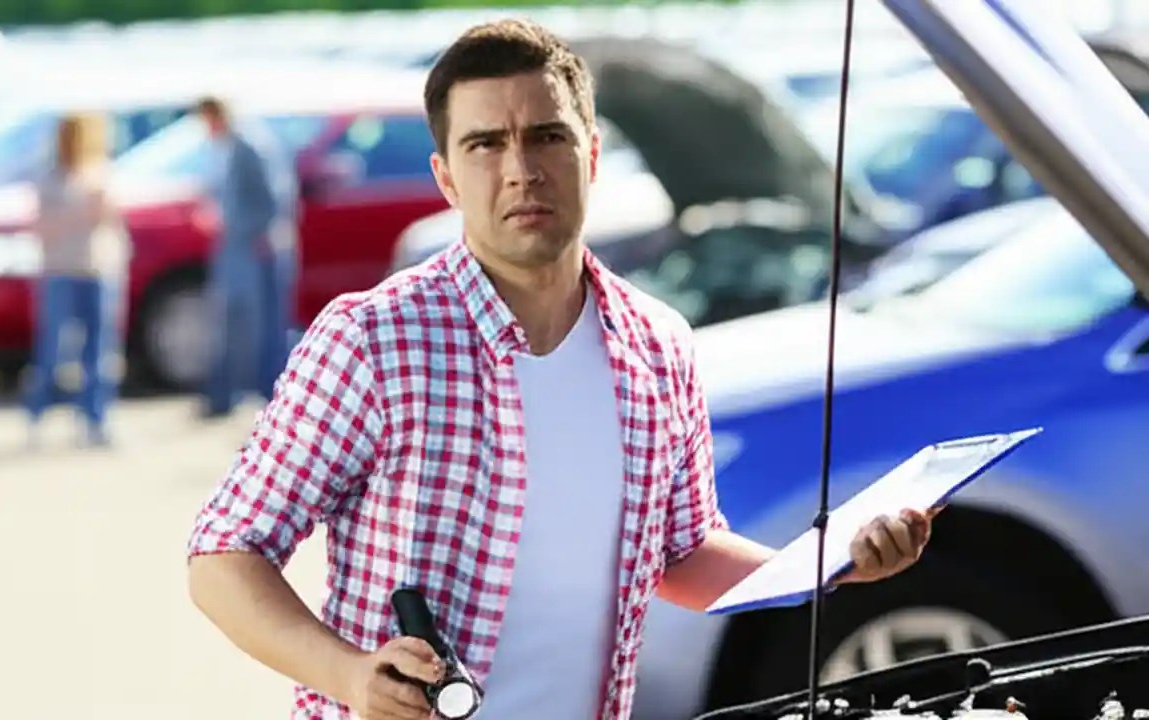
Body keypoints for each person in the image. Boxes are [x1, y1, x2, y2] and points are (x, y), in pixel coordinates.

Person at [185, 20, 938, 720]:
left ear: (592, 156)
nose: (521, 170)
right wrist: (346, 672)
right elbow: (224, 554)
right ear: (447, 179)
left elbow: (682, 552)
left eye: (546, 136)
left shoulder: (658, 343)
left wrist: (829, 564)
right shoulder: (373, 339)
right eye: (486, 144)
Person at [25, 111, 128, 448]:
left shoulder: (101, 173)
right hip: (61, 270)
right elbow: (41, 228)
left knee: (99, 352)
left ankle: (95, 419)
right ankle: (37, 415)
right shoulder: (51, 179)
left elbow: (114, 225)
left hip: (98, 270)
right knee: (53, 350)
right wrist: (80, 214)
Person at [196, 96, 283, 417]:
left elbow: (272, 199)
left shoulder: (249, 147)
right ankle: (225, 394)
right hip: (233, 244)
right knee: (232, 321)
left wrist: (253, 231)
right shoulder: (225, 147)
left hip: (253, 246)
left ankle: (268, 392)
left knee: (259, 324)